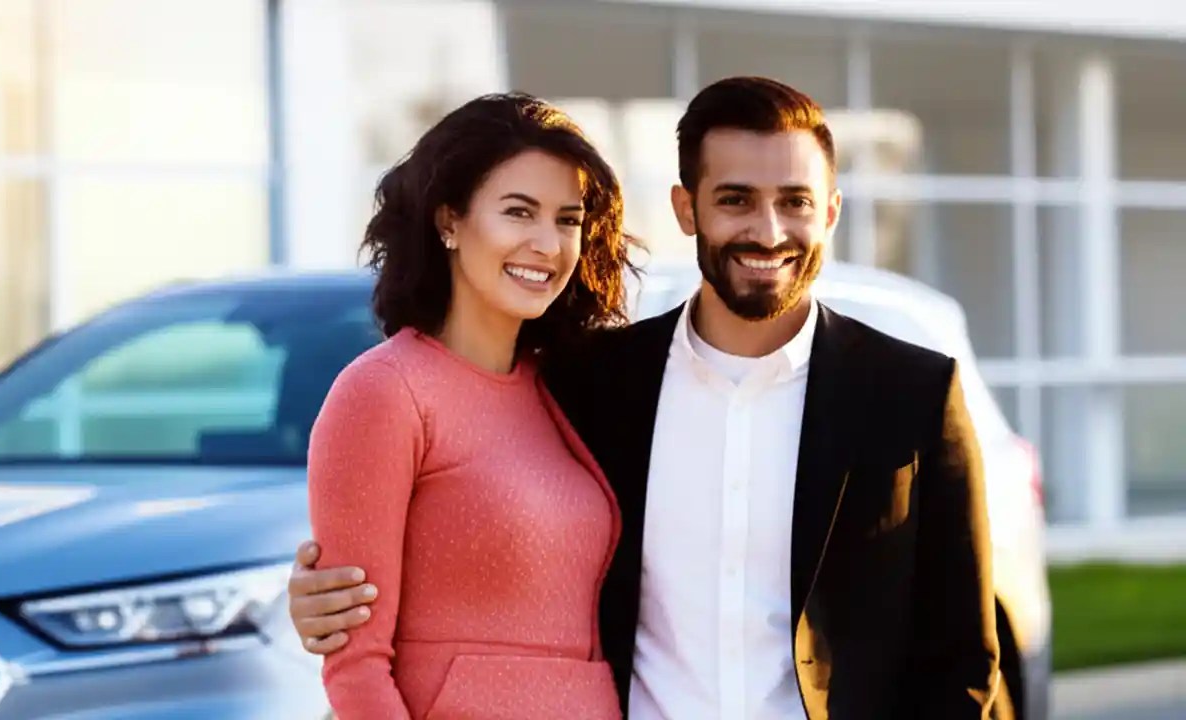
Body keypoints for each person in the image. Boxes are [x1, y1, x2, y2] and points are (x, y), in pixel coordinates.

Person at [290, 76, 1001, 719]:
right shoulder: (601, 382)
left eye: (795, 202)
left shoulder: (913, 393)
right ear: (686, 209)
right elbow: (426, 576)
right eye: (736, 200)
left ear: (833, 212)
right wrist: (322, 602)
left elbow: (963, 657)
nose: (768, 230)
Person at [303, 92, 632, 719]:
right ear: (449, 220)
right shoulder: (386, 391)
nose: (547, 243)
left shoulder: (571, 389)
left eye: (567, 219)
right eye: (518, 212)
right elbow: (355, 667)